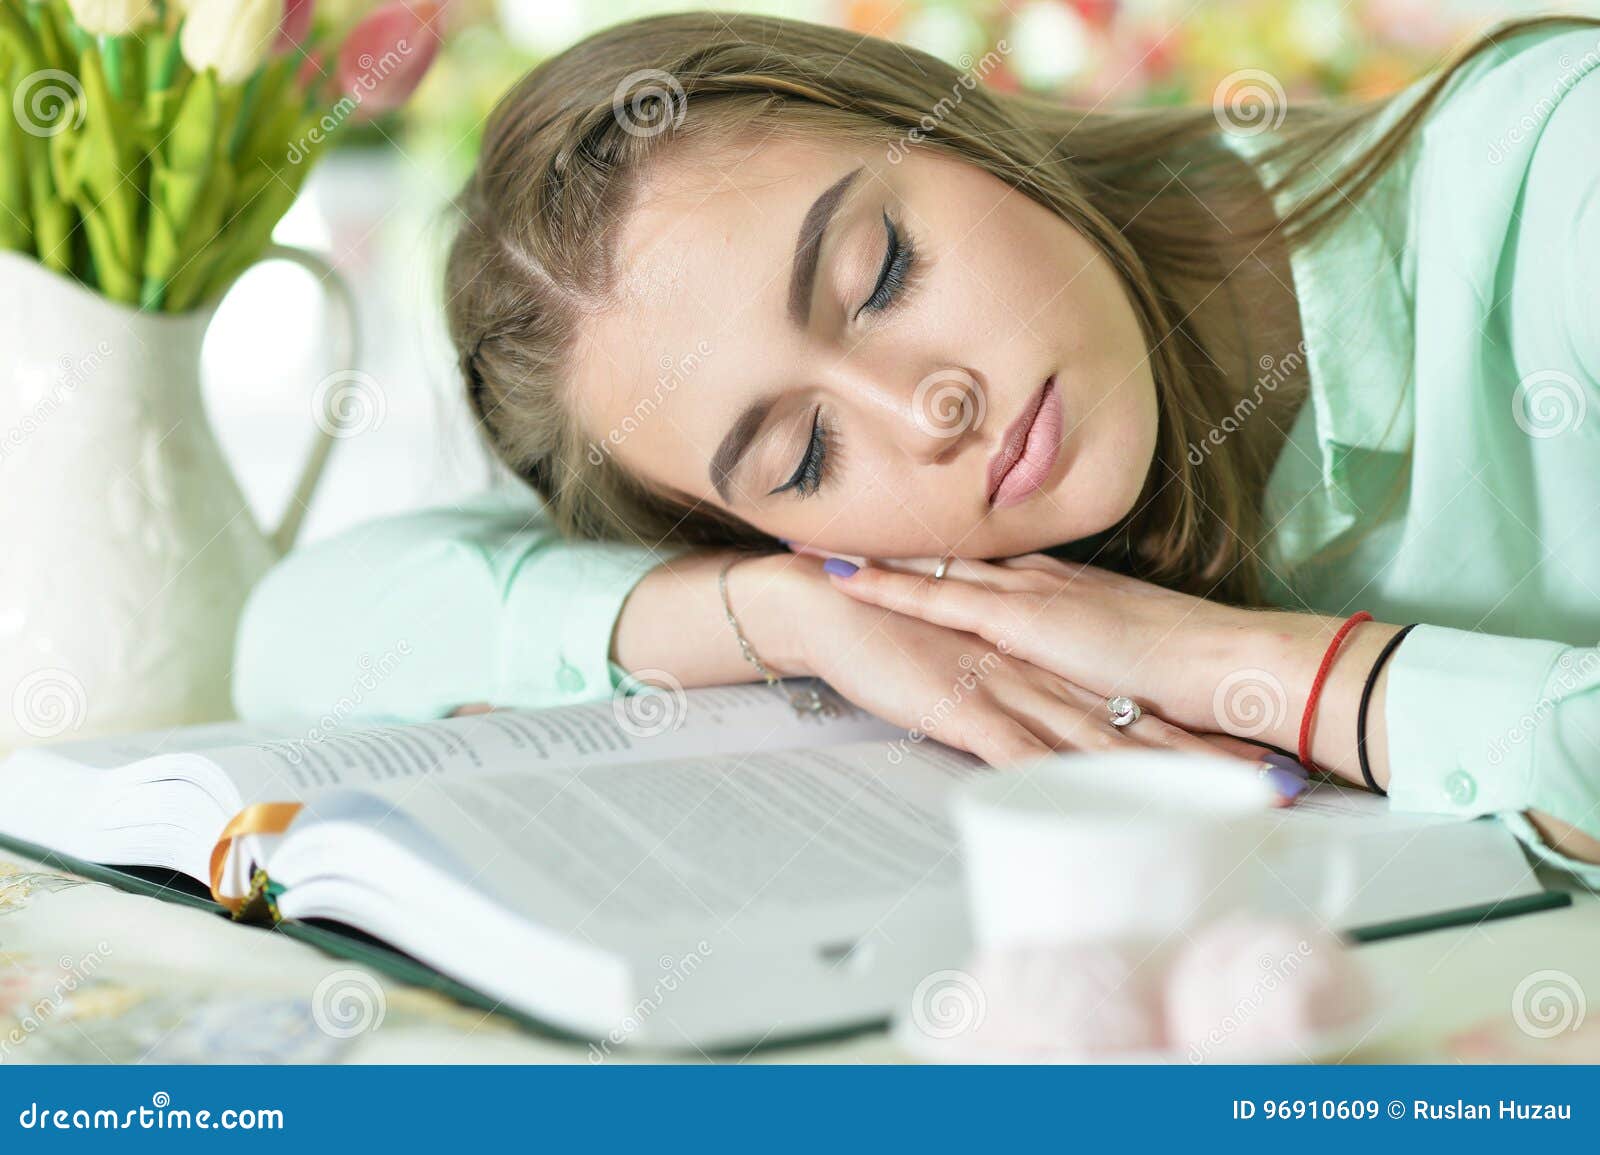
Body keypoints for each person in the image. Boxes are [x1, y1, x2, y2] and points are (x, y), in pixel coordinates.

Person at [234, 12, 1600, 879]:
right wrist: (792, 613)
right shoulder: (843, 561)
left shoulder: (1557, 184)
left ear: (950, 124)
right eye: (802, 460)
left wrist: (1262, 674)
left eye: (882, 272)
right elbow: (298, 635)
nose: (925, 409)